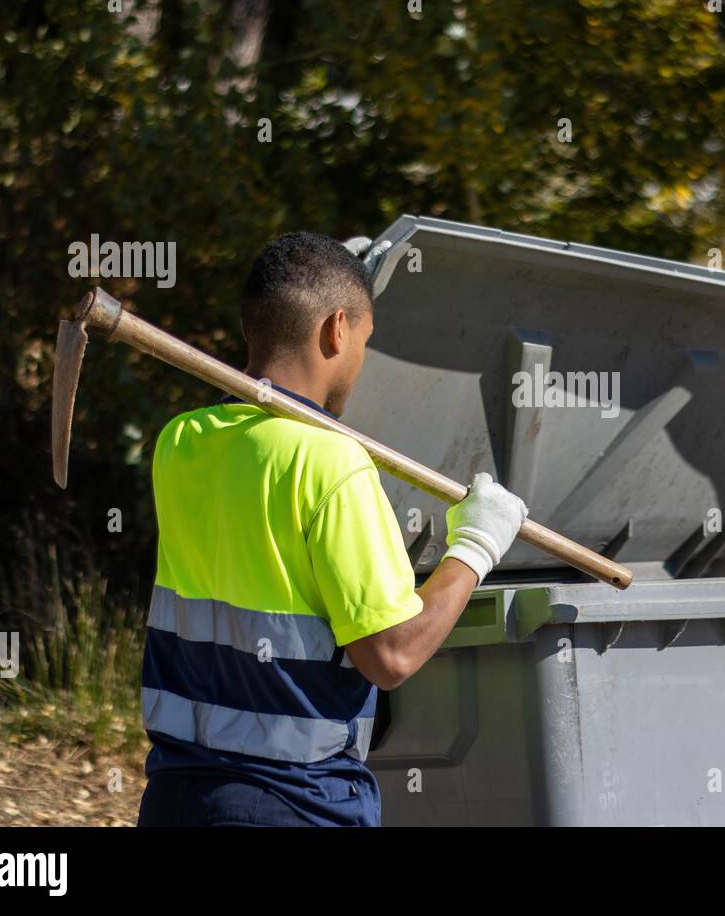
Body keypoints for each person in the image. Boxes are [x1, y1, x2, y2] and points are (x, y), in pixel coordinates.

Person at [136, 232, 526, 826]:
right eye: (363, 340)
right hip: (295, 804)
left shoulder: (181, 441)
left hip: (176, 799)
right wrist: (475, 545)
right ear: (337, 330)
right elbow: (390, 655)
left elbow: (247, 434)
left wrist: (319, 281)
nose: (360, 362)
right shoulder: (333, 464)